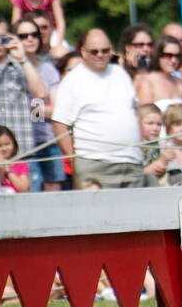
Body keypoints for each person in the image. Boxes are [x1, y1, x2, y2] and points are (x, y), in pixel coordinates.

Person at [51, 29, 144, 188]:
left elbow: (135, 111)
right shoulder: (73, 80)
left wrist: (140, 146)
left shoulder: (120, 73)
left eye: (105, 50)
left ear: (111, 49)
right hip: (94, 164)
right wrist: (75, 159)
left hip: (131, 161)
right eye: (94, 51)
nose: (100, 55)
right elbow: (59, 124)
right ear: (83, 52)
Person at [0, 13, 46, 164]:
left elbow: (40, 94)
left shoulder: (21, 64)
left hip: (23, 152)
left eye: (3, 37)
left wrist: (23, 59)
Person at [14, 17, 64, 192]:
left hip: (48, 140)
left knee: (55, 195)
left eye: (34, 34)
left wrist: (35, 109)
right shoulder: (10, 69)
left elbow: (59, 111)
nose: (30, 39)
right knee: (31, 193)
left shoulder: (48, 69)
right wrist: (40, 109)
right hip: (22, 144)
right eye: (24, 35)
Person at [135, 35, 182, 109]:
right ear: (157, 55)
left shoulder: (180, 83)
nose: (173, 60)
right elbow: (145, 115)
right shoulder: (147, 83)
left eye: (177, 56)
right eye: (168, 55)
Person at [0, 125, 30, 193]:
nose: (4, 149)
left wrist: (8, 170)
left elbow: (24, 188)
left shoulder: (20, 164)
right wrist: (0, 169)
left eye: (7, 144)